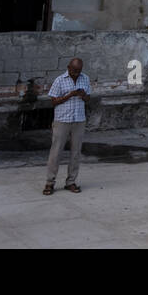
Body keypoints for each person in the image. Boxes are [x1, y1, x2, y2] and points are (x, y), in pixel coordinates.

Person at [45, 58, 90, 195]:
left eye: (79, 71)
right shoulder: (59, 80)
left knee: (76, 152)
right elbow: (53, 101)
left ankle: (71, 182)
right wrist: (70, 95)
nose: (76, 73)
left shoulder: (85, 78)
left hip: (79, 119)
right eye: (74, 70)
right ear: (68, 67)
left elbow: (88, 98)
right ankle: (50, 183)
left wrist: (83, 96)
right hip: (62, 120)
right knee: (56, 152)